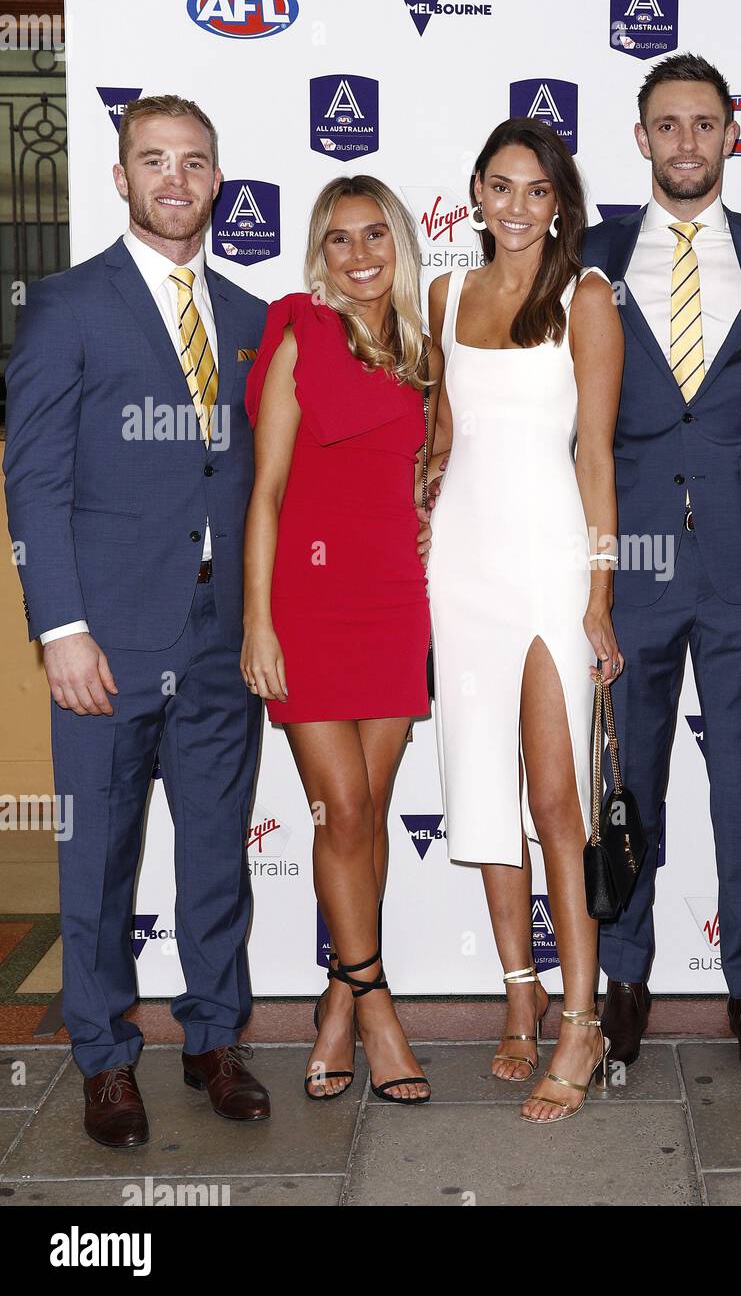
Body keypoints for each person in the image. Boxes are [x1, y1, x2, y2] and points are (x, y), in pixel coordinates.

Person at [2, 95, 270, 1146]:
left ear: (217, 180)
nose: (174, 179)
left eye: (193, 162)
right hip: (105, 641)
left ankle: (215, 1040)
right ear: (121, 177)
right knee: (98, 862)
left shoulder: (249, 318)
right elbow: (34, 478)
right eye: (153, 160)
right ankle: (105, 1059)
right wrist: (60, 627)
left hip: (221, 638)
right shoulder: (68, 305)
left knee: (216, 853)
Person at [581, 53, 741, 1074]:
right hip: (626, 569)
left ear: (731, 134)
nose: (686, 142)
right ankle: (623, 977)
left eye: (704, 124)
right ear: (642, 138)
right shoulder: (588, 252)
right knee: (624, 785)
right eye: (667, 125)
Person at [425, 117, 624, 1123]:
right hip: (460, 568)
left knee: (556, 799)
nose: (515, 206)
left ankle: (582, 1019)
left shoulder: (585, 296)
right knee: (480, 790)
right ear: (475, 192)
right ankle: (520, 995)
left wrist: (598, 593)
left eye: (535, 190)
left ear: (558, 204)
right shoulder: (444, 294)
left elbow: (596, 454)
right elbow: (442, 434)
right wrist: (418, 516)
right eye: (500, 186)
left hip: (551, 568)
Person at [243, 175, 436, 1104]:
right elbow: (267, 492)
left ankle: (336, 1002)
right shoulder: (300, 336)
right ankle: (377, 1007)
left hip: (394, 602)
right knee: (343, 811)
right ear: (318, 253)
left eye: (374, 236)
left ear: (400, 244)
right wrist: (257, 621)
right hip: (309, 608)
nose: (359, 256)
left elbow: (427, 474)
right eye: (339, 240)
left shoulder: (422, 353)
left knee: (370, 812)